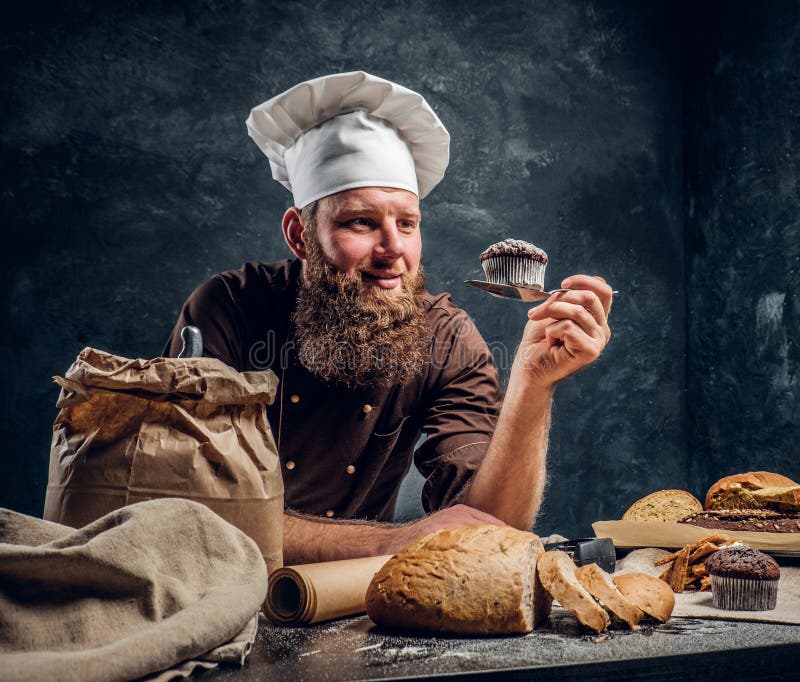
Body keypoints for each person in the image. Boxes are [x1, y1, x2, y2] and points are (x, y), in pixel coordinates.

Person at [164, 72, 613, 564]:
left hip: (352, 605)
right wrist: (391, 541)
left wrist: (532, 383)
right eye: (361, 221)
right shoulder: (227, 308)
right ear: (299, 236)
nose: (394, 250)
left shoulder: (446, 337)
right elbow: (193, 512)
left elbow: (489, 526)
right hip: (219, 589)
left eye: (407, 223)